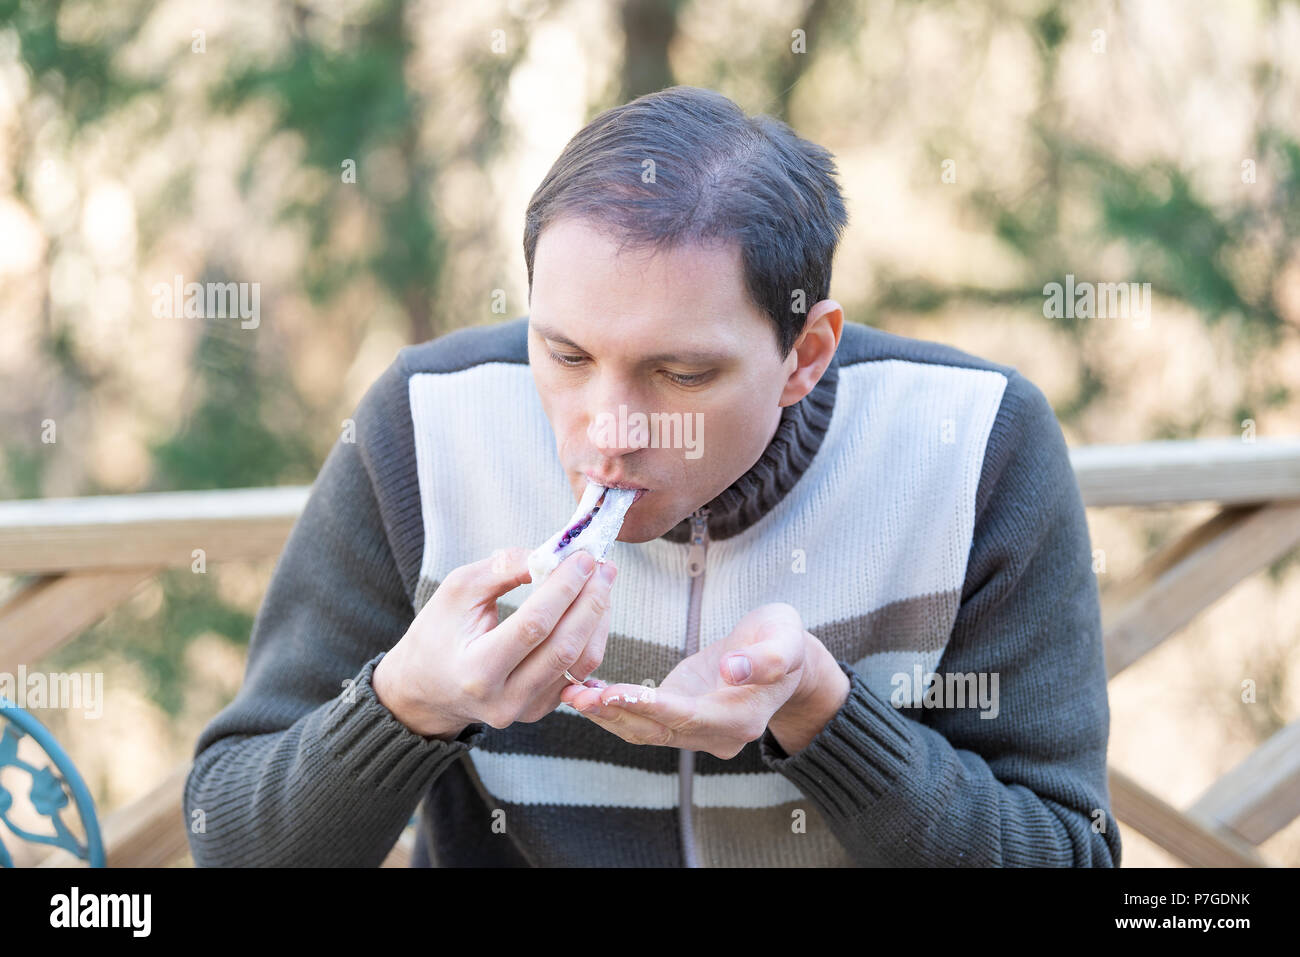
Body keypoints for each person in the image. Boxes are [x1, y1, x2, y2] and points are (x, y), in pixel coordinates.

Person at [184, 85, 1121, 867]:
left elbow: (1068, 853)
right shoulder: (425, 428)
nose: (611, 430)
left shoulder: (976, 445)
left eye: (682, 373)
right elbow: (229, 838)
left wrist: (824, 715)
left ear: (805, 353)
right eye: (565, 353)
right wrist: (406, 706)